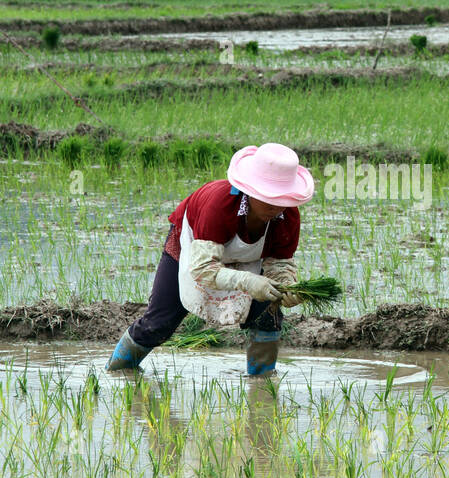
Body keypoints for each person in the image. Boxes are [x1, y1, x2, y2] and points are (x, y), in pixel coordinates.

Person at [107, 142, 313, 377]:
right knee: (160, 322)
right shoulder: (220, 204)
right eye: (268, 198)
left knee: (268, 314)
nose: (276, 207)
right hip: (195, 247)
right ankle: (117, 373)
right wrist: (247, 282)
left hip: (247, 260)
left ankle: (262, 384)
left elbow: (280, 263)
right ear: (251, 190)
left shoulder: (287, 217)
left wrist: (288, 287)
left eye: (282, 200)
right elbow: (204, 269)